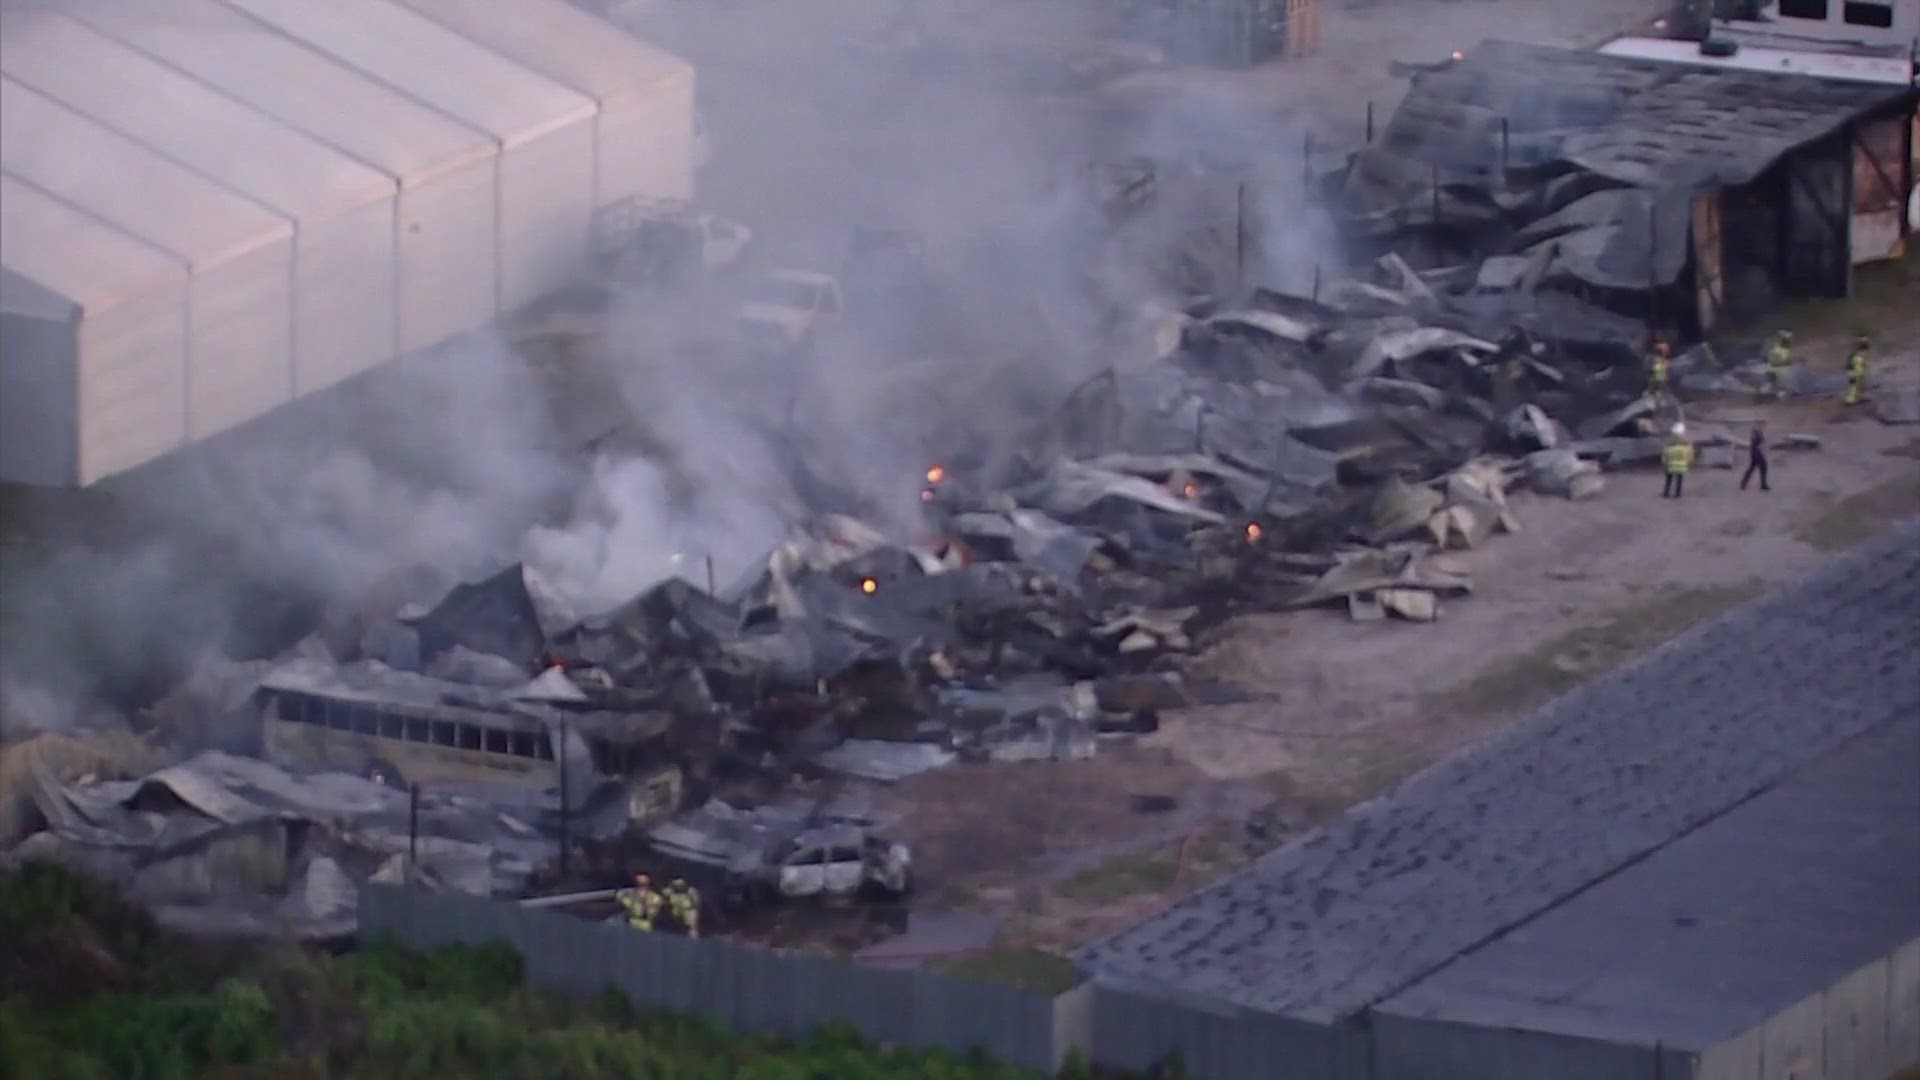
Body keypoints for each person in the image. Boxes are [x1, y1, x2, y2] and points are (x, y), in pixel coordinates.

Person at [1661, 423, 1694, 499]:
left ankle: (1666, 493)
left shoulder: (1670, 446)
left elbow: (1665, 455)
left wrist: (1665, 463)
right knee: (1679, 480)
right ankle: (1677, 494)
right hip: (1681, 466)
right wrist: (1688, 462)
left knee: (1668, 480)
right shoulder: (1686, 446)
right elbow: (1690, 455)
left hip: (1670, 466)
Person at [1740, 420, 1770, 492]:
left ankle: (1743, 484)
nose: (1763, 426)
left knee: (1752, 467)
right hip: (1757, 451)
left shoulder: (1756, 432)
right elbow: (1757, 442)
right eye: (1762, 424)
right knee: (1763, 467)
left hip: (1755, 451)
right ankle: (1763, 485)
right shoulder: (1756, 432)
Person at [1765, 330, 1791, 399]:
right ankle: (1776, 392)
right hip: (1776, 367)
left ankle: (1775, 392)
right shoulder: (1780, 346)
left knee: (1774, 380)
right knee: (1775, 380)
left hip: (1774, 367)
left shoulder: (1778, 346)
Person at [1845, 336, 1869, 406]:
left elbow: (1862, 363)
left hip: (1855, 371)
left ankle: (1856, 398)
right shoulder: (1856, 355)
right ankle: (1849, 400)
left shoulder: (1857, 353)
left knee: (1857, 385)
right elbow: (1858, 364)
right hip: (1854, 372)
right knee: (1854, 385)